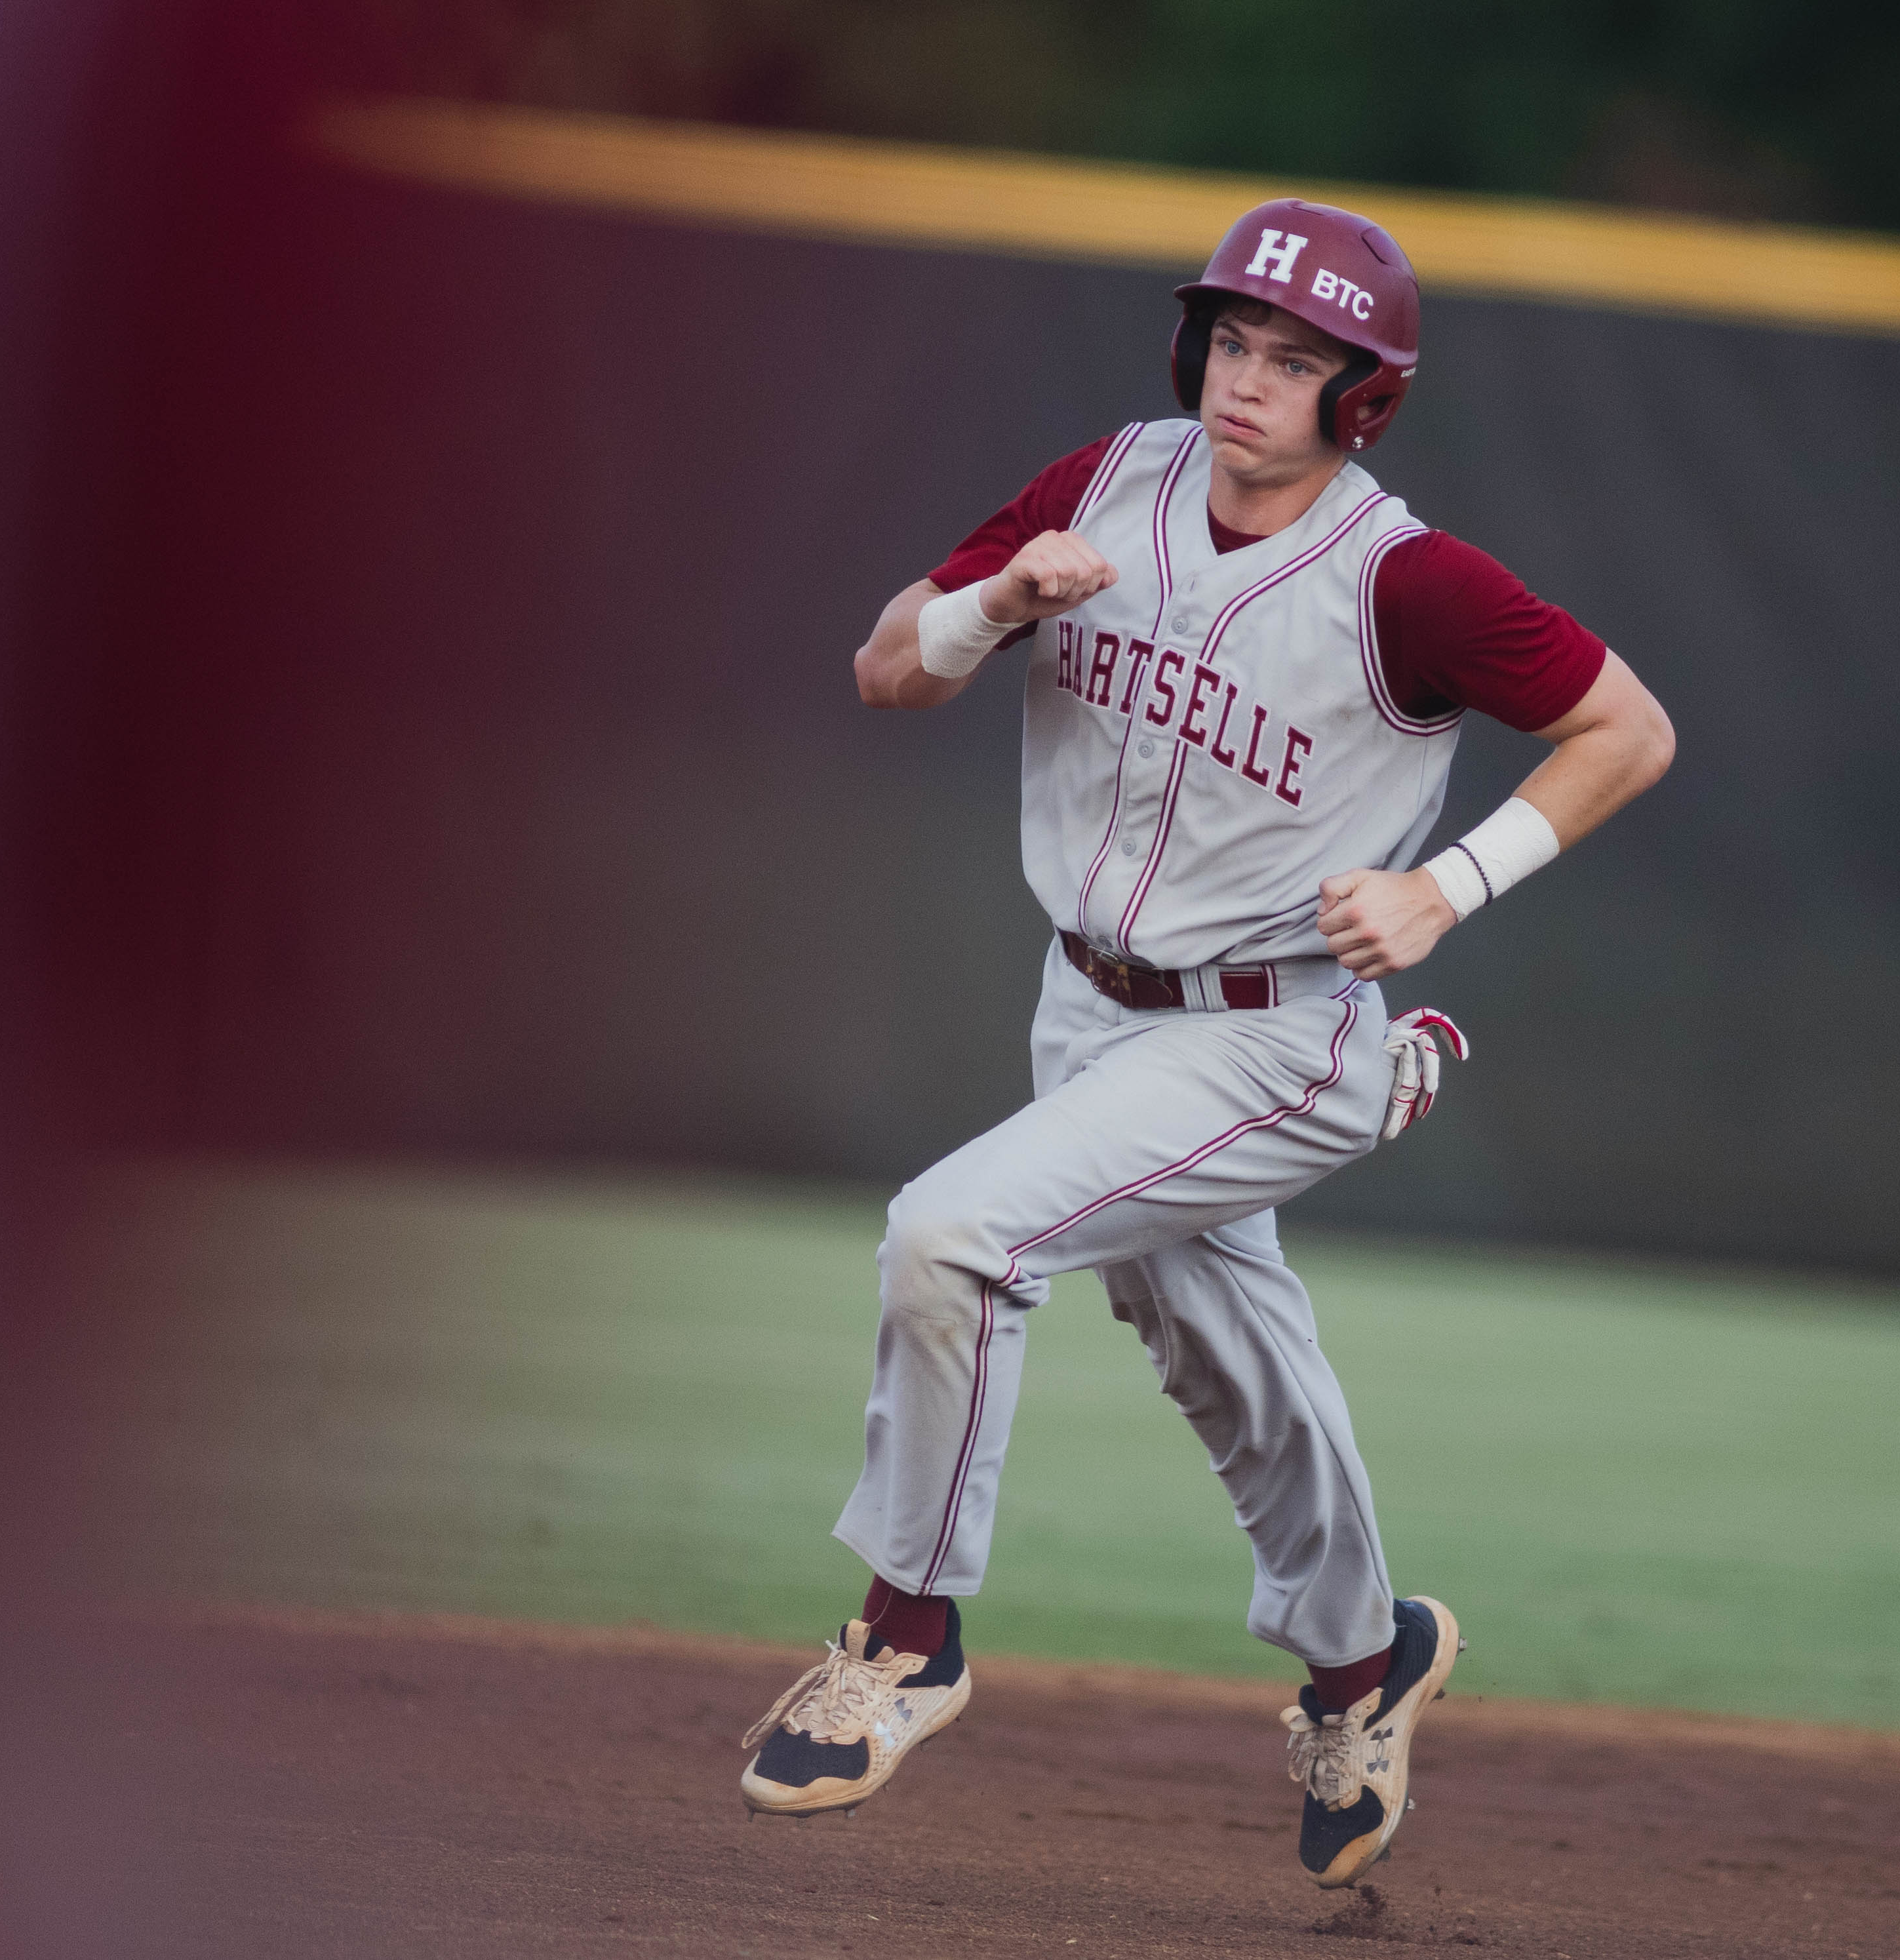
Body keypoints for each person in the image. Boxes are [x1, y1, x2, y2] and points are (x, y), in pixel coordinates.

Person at [734, 199, 1675, 1887]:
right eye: (1234, 341)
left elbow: (1629, 727)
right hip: (1087, 1007)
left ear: (1360, 399)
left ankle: (903, 1635)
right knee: (1216, 1346)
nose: (1249, 381)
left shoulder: (1406, 580)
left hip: (1272, 1038)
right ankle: (1362, 1653)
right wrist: (994, 601)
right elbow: (888, 669)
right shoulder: (1105, 485)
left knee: (953, 1238)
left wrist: (1450, 886)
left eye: (1297, 360)